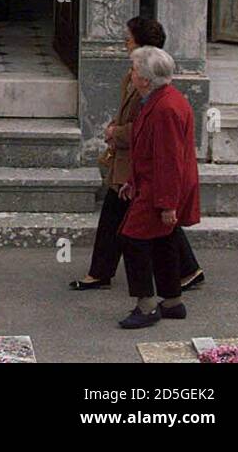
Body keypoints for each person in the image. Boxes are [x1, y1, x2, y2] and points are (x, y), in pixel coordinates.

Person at [70, 18, 203, 292]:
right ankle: (184, 273)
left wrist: (115, 133)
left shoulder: (160, 99)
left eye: (129, 38)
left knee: (126, 224)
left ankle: (131, 287)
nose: (125, 43)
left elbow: (157, 142)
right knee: (144, 220)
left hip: (136, 166)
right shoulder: (142, 82)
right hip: (133, 168)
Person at [117, 46, 202, 329]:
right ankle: (172, 301)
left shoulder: (164, 107)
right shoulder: (162, 99)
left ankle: (147, 305)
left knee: (133, 239)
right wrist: (132, 180)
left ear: (144, 79)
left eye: (133, 69)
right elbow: (149, 150)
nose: (130, 73)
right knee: (164, 241)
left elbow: (168, 160)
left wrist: (168, 205)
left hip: (160, 189)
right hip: (155, 185)